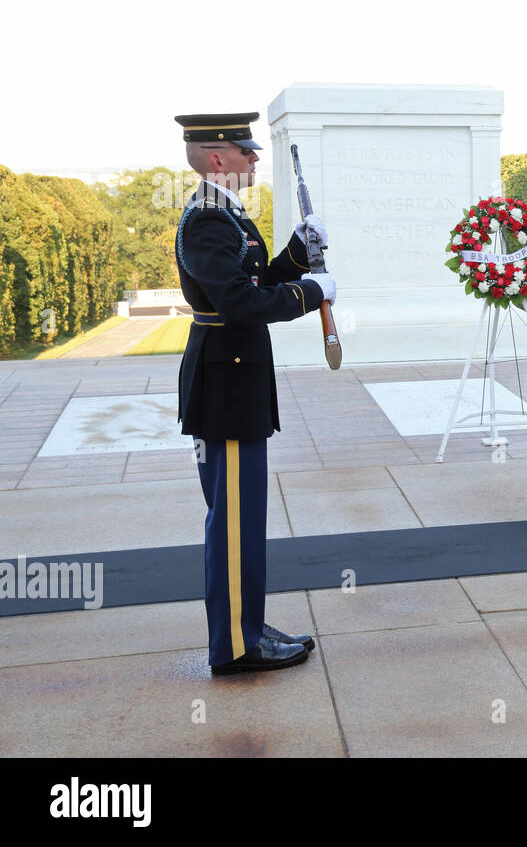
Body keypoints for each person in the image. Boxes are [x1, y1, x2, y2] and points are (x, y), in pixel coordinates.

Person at [174, 112, 337, 673]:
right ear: (219, 159)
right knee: (235, 523)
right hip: (227, 388)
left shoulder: (224, 213)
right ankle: (239, 646)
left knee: (241, 521)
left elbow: (252, 280)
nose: (254, 158)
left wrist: (296, 253)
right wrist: (308, 292)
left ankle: (247, 626)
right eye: (246, 151)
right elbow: (240, 305)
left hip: (232, 381)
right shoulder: (208, 220)